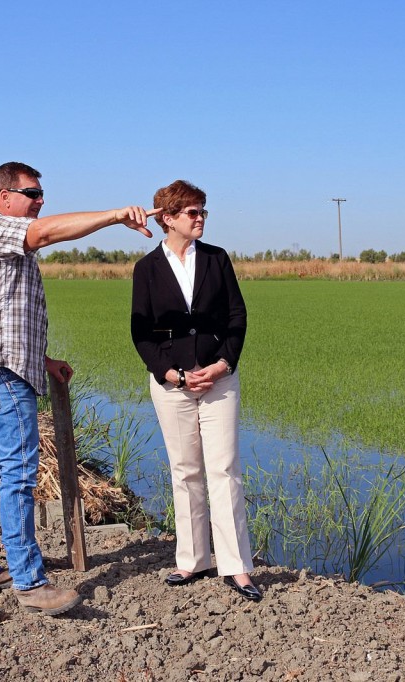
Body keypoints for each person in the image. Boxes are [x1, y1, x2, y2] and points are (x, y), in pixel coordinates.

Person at [0, 161, 156, 615]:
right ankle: (30, 582)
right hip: (3, 377)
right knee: (19, 476)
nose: (40, 201)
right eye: (32, 193)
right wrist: (115, 216)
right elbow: (45, 233)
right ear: (4, 197)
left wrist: (42, 360)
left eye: (41, 194)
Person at [130, 179, 261, 602]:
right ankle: (192, 560)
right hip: (172, 385)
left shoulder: (217, 259)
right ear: (168, 218)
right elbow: (141, 333)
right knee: (185, 470)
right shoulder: (147, 269)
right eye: (192, 212)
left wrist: (222, 365)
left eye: (203, 210)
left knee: (224, 469)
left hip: (220, 380)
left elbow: (237, 317)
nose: (200, 217)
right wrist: (173, 374)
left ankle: (237, 567)